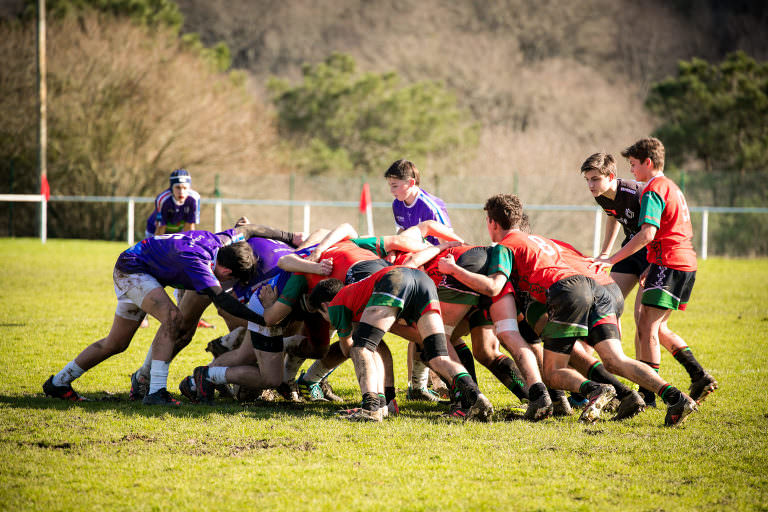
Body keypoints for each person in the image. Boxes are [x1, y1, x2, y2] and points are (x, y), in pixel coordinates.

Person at [477, 193, 697, 426]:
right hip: (600, 287)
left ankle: (595, 390)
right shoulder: (544, 241)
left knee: (553, 372)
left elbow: (496, 285)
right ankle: (675, 397)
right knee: (615, 359)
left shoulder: (504, 247)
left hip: (568, 291)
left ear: (492, 222)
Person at [42, 224, 299, 406]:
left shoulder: (220, 242)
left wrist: (289, 236)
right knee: (173, 319)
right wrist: (264, 318)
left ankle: (59, 382)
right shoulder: (199, 263)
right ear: (227, 271)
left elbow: (249, 229)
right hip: (133, 270)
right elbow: (222, 301)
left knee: (116, 343)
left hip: (137, 267)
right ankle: (155, 392)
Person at [592, 137, 717, 406]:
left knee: (646, 324)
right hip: (682, 262)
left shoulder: (651, 190)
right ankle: (697, 375)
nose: (633, 170)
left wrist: (613, 258)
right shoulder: (669, 185)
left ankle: (649, 393)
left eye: (634, 164)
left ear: (648, 162)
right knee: (655, 326)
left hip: (666, 261)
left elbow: (647, 233)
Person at [308, 266, 494, 422]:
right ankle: (476, 396)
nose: (325, 319)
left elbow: (347, 349)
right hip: (423, 281)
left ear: (324, 306)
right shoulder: (361, 296)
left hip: (395, 279)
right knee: (438, 356)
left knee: (361, 347)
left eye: (321, 315)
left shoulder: (335, 304)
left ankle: (371, 407)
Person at [384, 159, 454, 401]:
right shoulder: (398, 204)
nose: (391, 191)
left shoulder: (430, 207)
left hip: (434, 267)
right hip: (413, 267)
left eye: (395, 186)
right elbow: (402, 236)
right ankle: (418, 386)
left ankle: (427, 384)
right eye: (390, 185)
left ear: (410, 183)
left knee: (427, 328)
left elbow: (447, 242)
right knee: (415, 326)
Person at [145, 168, 200, 238]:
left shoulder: (194, 199)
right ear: (171, 187)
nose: (181, 192)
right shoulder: (163, 199)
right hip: (155, 230)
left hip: (178, 231)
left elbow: (189, 226)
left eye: (185, 188)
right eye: (178, 187)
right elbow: (160, 228)